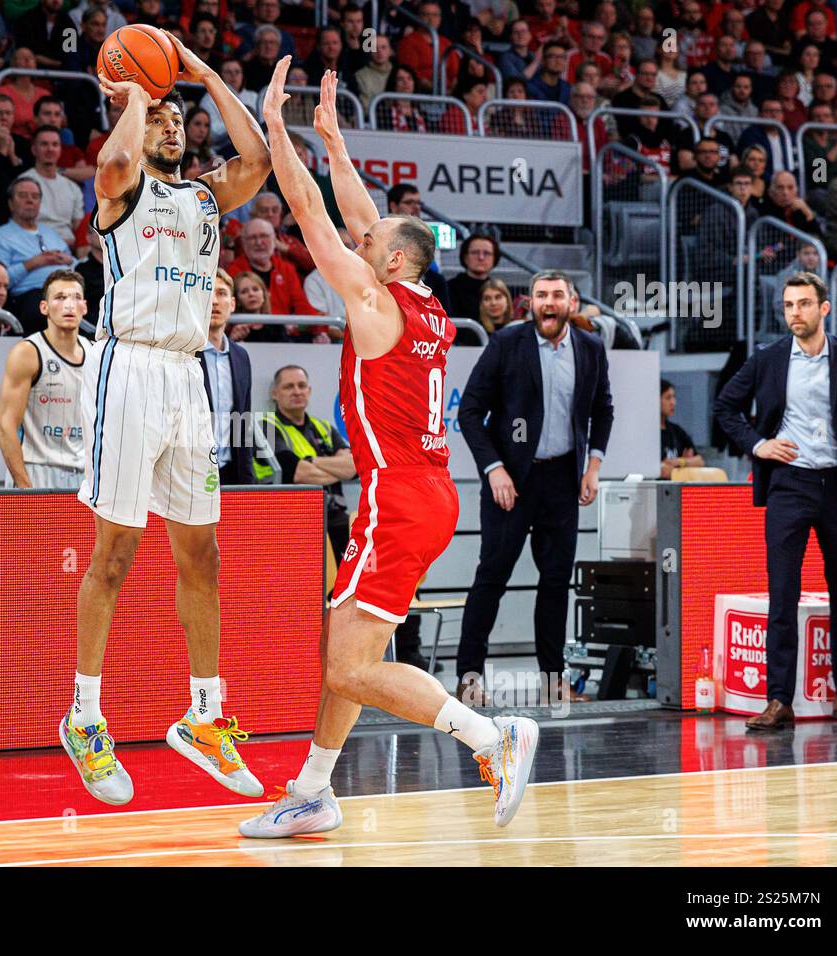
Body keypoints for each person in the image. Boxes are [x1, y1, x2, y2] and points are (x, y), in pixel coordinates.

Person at [239, 62, 539, 839]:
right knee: (345, 645)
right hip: (427, 492)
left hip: (396, 496)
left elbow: (309, 213)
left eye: (368, 242)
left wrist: (277, 129)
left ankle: (489, 735)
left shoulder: (373, 300)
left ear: (389, 262)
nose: (358, 239)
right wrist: (335, 141)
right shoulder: (426, 300)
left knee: (346, 665)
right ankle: (312, 791)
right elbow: (364, 212)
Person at [62, 32, 273, 807]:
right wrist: (136, 94)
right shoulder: (123, 190)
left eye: (178, 118)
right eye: (160, 120)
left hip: (189, 375)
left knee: (204, 556)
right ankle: (85, 718)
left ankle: (204, 716)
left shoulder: (204, 197)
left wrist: (209, 73)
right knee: (115, 552)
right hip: (129, 368)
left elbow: (258, 160)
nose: (171, 126)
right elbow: (113, 167)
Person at [714, 272, 837, 730]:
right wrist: (758, 444)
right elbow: (725, 407)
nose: (794, 313)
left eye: (803, 304)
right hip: (789, 485)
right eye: (787, 305)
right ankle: (779, 699)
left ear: (824, 308)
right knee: (782, 593)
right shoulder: (768, 358)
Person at [455, 269, 614, 707]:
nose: (549, 302)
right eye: (541, 295)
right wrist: (493, 468)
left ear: (571, 302)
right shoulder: (508, 343)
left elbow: (603, 410)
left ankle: (553, 681)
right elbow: (470, 412)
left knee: (556, 581)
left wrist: (593, 466)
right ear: (530, 302)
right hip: (512, 480)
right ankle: (469, 679)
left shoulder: (591, 347)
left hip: (563, 479)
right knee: (492, 578)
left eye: (557, 295)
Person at [0, 270, 88, 489]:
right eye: (60, 297)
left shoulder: (95, 353)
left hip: (84, 474)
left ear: (84, 307)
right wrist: (26, 489)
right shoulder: (27, 352)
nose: (69, 305)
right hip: (37, 470)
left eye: (75, 298)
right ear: (44, 307)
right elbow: (5, 427)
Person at [256, 363, 353, 556]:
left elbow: (352, 467)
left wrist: (311, 460)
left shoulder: (323, 426)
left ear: (309, 391)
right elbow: (300, 474)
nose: (297, 391)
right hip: (293, 522)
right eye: (288, 386)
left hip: (335, 519)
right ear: (275, 394)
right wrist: (334, 466)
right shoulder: (264, 428)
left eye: (301, 385)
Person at [0, 177, 74, 333]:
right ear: (10, 203)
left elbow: (76, 264)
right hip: (30, 296)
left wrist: (69, 261)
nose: (30, 200)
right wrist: (33, 263)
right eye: (22, 195)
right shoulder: (0, 236)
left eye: (35, 197)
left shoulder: (50, 232)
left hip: (70, 290)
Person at [199, 270, 255, 485]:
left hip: (232, 473)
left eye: (221, 293)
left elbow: (244, 420)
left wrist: (247, 479)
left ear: (232, 304)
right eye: (207, 292)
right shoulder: (181, 352)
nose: (214, 301)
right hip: (190, 472)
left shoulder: (241, 356)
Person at [17, 126, 86, 247]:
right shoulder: (23, 183)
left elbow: (78, 227)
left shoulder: (72, 188)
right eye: (44, 144)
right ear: (34, 149)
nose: (50, 149)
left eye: (55, 145)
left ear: (60, 150)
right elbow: (19, 224)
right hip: (34, 246)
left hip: (68, 248)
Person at [447, 233, 501, 321]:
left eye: (487, 253)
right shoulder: (449, 288)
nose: (481, 257)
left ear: (494, 258)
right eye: (475, 252)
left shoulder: (499, 289)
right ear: (465, 257)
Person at [659, 379, 704, 478]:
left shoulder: (676, 431)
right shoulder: (650, 435)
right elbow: (663, 472)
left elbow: (699, 461)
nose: (673, 403)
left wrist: (680, 462)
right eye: (668, 398)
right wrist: (687, 465)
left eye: (674, 397)